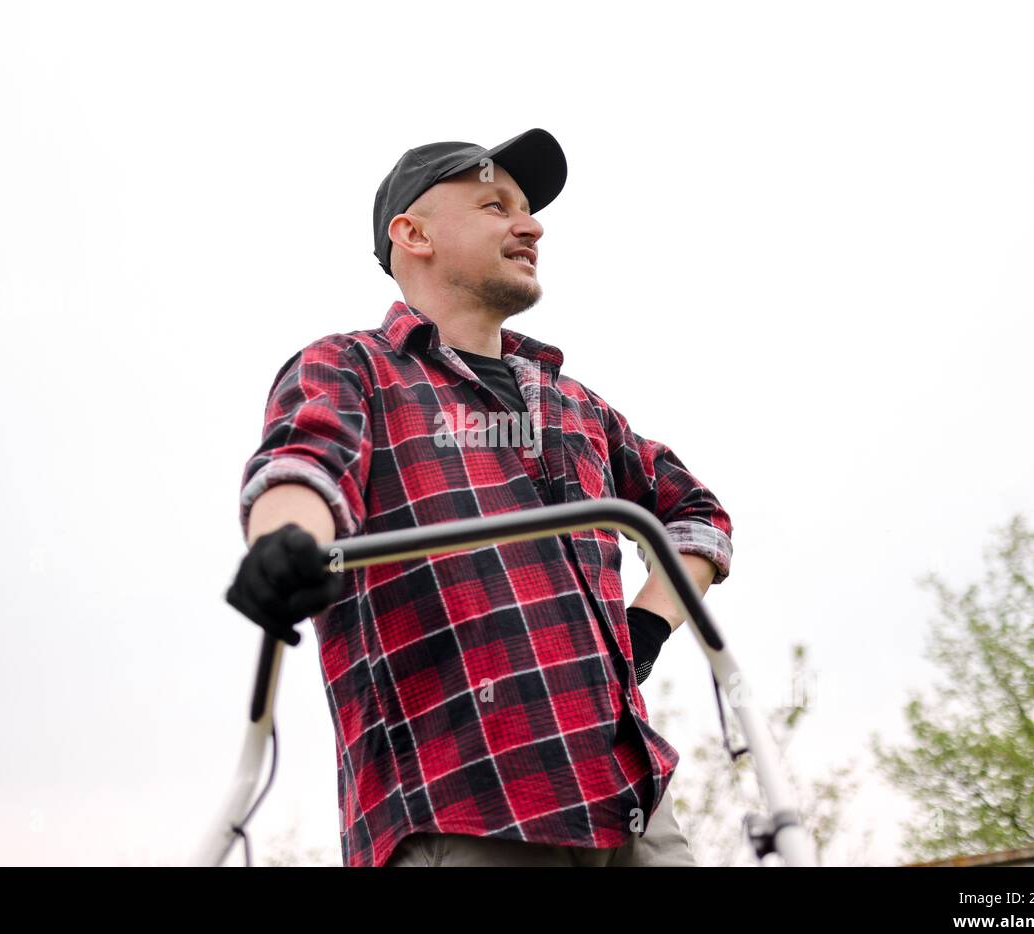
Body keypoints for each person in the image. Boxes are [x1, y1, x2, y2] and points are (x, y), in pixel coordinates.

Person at [225, 128, 733, 867]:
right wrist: (285, 542)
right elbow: (303, 469)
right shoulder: (352, 367)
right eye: (497, 206)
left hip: (632, 805)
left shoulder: (575, 407)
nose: (531, 226)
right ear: (414, 233)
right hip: (461, 799)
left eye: (528, 211)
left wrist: (646, 627)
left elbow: (696, 515)